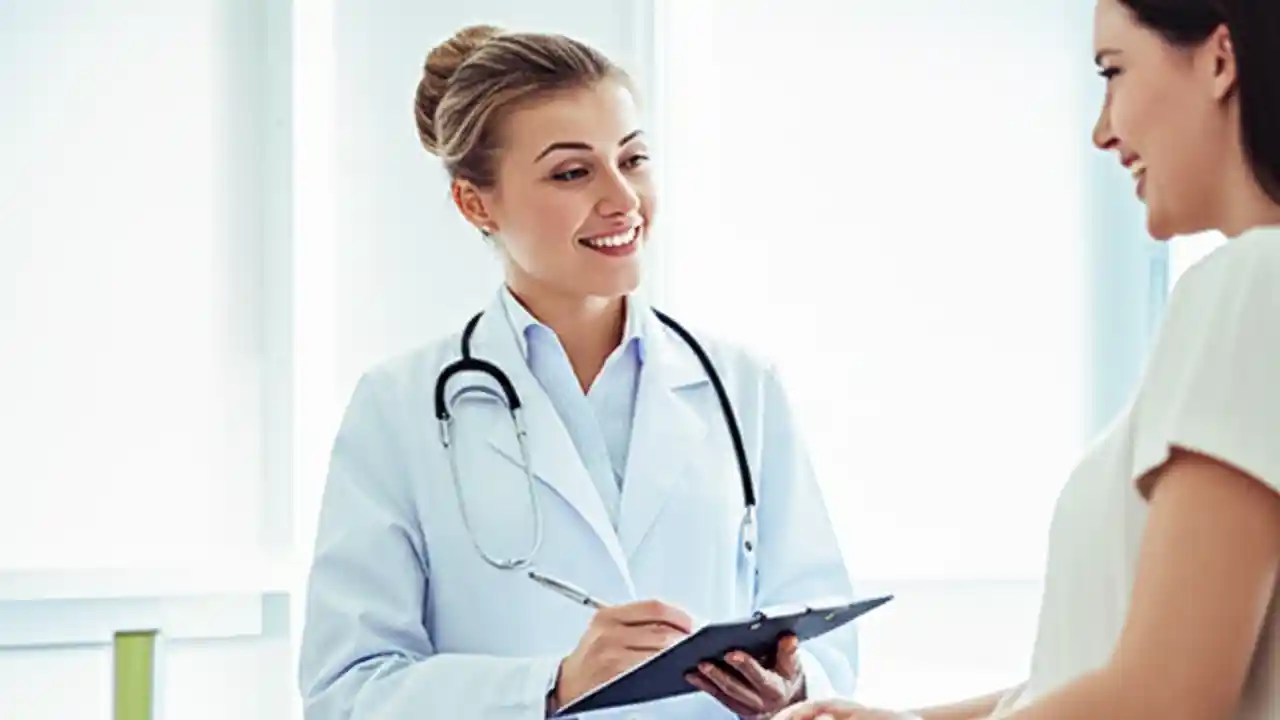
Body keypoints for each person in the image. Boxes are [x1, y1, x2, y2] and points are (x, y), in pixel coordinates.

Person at [297, 24, 860, 720]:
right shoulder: (398, 407)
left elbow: (830, 646)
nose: (622, 197)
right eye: (572, 172)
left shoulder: (744, 385)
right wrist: (553, 684)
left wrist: (796, 691)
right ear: (476, 203)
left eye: (633, 159)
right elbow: (347, 691)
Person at [778, 0, 1280, 718]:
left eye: (1114, 71)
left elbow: (1166, 696)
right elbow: (1088, 669)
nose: (1102, 130)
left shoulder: (1252, 281)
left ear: (1219, 60)